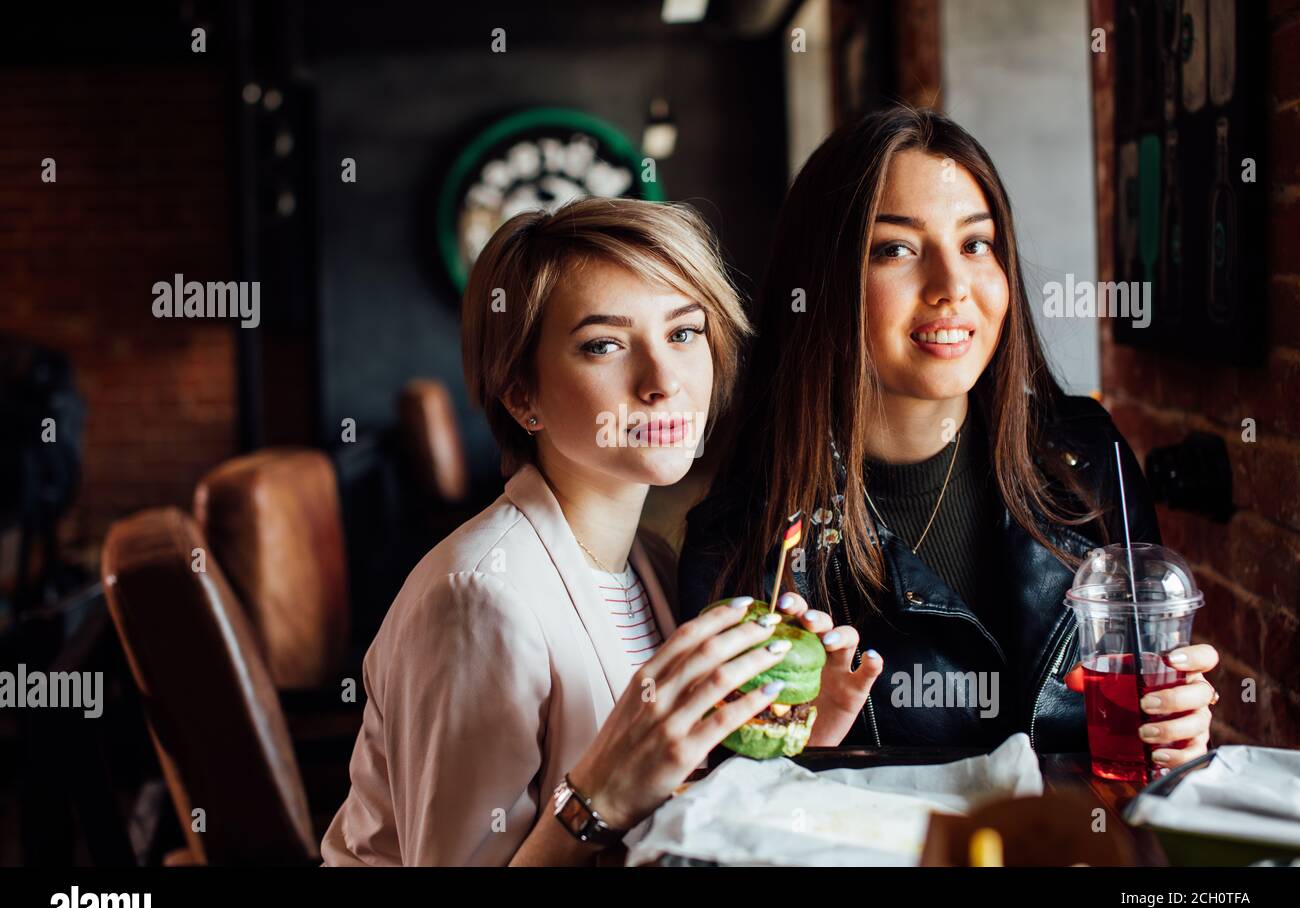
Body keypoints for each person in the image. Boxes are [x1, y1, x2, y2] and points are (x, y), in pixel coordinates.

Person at [321, 197, 881, 866]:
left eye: (683, 333)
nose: (663, 381)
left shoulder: (647, 562)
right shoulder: (479, 600)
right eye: (604, 345)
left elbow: (673, 824)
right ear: (522, 395)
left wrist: (798, 735)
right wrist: (595, 801)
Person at [679, 107, 1218, 766]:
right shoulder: (749, 532)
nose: (951, 287)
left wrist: (1175, 737)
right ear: (821, 283)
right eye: (896, 249)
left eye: (976, 244)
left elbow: (1144, 723)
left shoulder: (1089, 459)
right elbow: (727, 799)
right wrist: (798, 751)